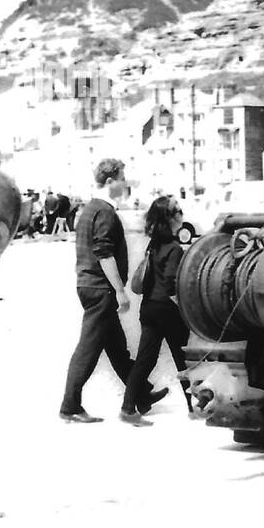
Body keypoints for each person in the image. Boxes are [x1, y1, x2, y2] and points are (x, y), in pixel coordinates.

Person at [59, 158, 168, 423]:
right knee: (88, 348)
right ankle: (70, 406)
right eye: (122, 179)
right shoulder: (105, 212)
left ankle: (140, 393)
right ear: (110, 182)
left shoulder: (89, 210)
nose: (124, 184)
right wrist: (120, 291)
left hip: (88, 285)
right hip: (100, 289)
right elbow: (104, 253)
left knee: (116, 347)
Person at [119, 197, 195, 426]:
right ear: (170, 218)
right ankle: (194, 406)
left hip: (149, 308)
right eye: (178, 211)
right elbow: (172, 282)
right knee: (183, 358)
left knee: (145, 360)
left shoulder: (154, 244)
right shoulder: (173, 248)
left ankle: (128, 408)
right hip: (167, 310)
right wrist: (185, 307)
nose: (182, 213)